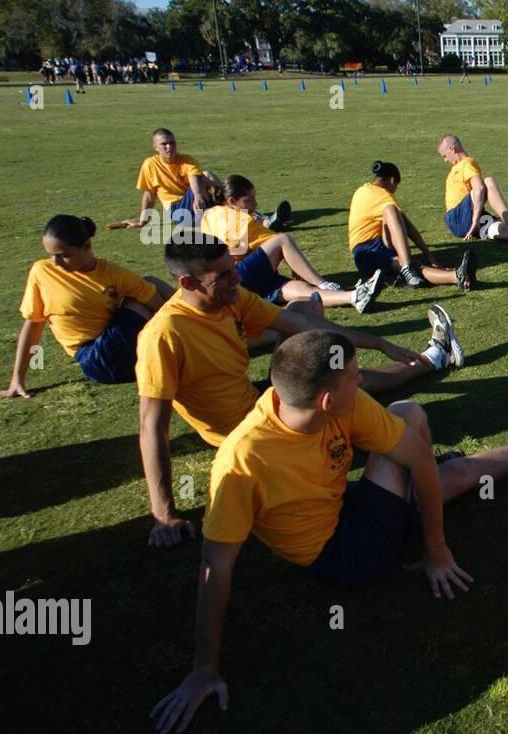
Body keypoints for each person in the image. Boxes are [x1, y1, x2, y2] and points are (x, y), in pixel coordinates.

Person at [150, 328, 508, 734]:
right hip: (347, 555)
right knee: (433, 459)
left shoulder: (325, 404)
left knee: (418, 437)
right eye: (353, 377)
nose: (361, 381)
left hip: (344, 502)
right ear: (326, 400)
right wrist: (204, 669)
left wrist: (432, 535)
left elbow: (415, 455)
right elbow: (215, 570)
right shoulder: (241, 461)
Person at [135, 235, 459, 549]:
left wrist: (378, 342)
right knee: (349, 383)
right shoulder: (164, 336)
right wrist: (164, 515)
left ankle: (428, 374)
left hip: (258, 397)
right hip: (249, 428)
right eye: (223, 276)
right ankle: (434, 358)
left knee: (308, 305)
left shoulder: (230, 299)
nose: (236, 278)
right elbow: (152, 428)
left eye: (233, 269)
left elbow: (301, 325)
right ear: (188, 284)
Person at [0, 215, 173, 397]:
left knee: (150, 285)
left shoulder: (112, 272)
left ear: (86, 247)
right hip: (97, 360)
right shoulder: (41, 272)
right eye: (51, 255)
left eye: (64, 256)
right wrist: (17, 379)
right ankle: (193, 332)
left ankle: (193, 330)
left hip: (123, 350)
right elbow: (33, 324)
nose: (56, 263)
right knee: (148, 291)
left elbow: (161, 307)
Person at [203, 175, 382, 314]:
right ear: (233, 202)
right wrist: (308, 275)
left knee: (292, 290)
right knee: (284, 240)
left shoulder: (210, 214)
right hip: (236, 276)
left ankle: (354, 297)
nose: (255, 204)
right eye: (249, 200)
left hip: (222, 286)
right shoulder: (242, 220)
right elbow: (279, 246)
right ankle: (324, 285)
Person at [347, 160, 475, 295]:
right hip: (367, 253)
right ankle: (409, 267)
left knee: (413, 261)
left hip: (372, 247)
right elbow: (407, 226)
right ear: (392, 180)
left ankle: (456, 276)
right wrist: (429, 256)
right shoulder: (381, 195)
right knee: (391, 211)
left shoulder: (362, 190)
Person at [436, 135, 508, 252]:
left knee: (504, 231)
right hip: (460, 216)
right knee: (488, 181)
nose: (445, 160)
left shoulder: (465, 164)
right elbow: (480, 188)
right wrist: (476, 220)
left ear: (452, 149)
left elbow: (479, 190)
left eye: (445, 156)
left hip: (458, 224)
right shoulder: (466, 164)